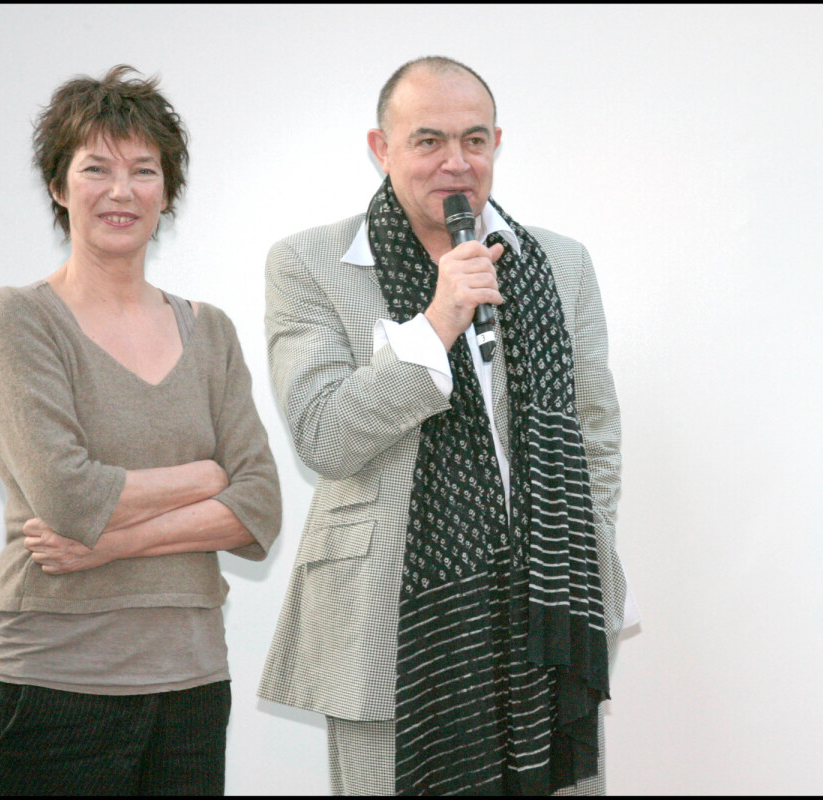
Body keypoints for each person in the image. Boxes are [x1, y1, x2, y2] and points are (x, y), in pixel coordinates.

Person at [258, 56, 626, 795]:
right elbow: (324, 434)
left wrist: (580, 550)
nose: (455, 162)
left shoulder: (560, 263)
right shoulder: (309, 263)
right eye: (427, 141)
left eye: (474, 140)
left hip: (546, 610)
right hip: (389, 624)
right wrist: (436, 322)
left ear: (497, 144)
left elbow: (595, 433)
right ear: (380, 147)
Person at [0, 65, 281, 796]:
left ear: (166, 193)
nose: (120, 191)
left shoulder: (209, 330)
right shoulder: (20, 320)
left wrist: (110, 541)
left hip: (191, 685)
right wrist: (206, 477)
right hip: (51, 688)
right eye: (96, 168)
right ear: (60, 187)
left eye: (143, 171)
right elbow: (64, 493)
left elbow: (262, 507)